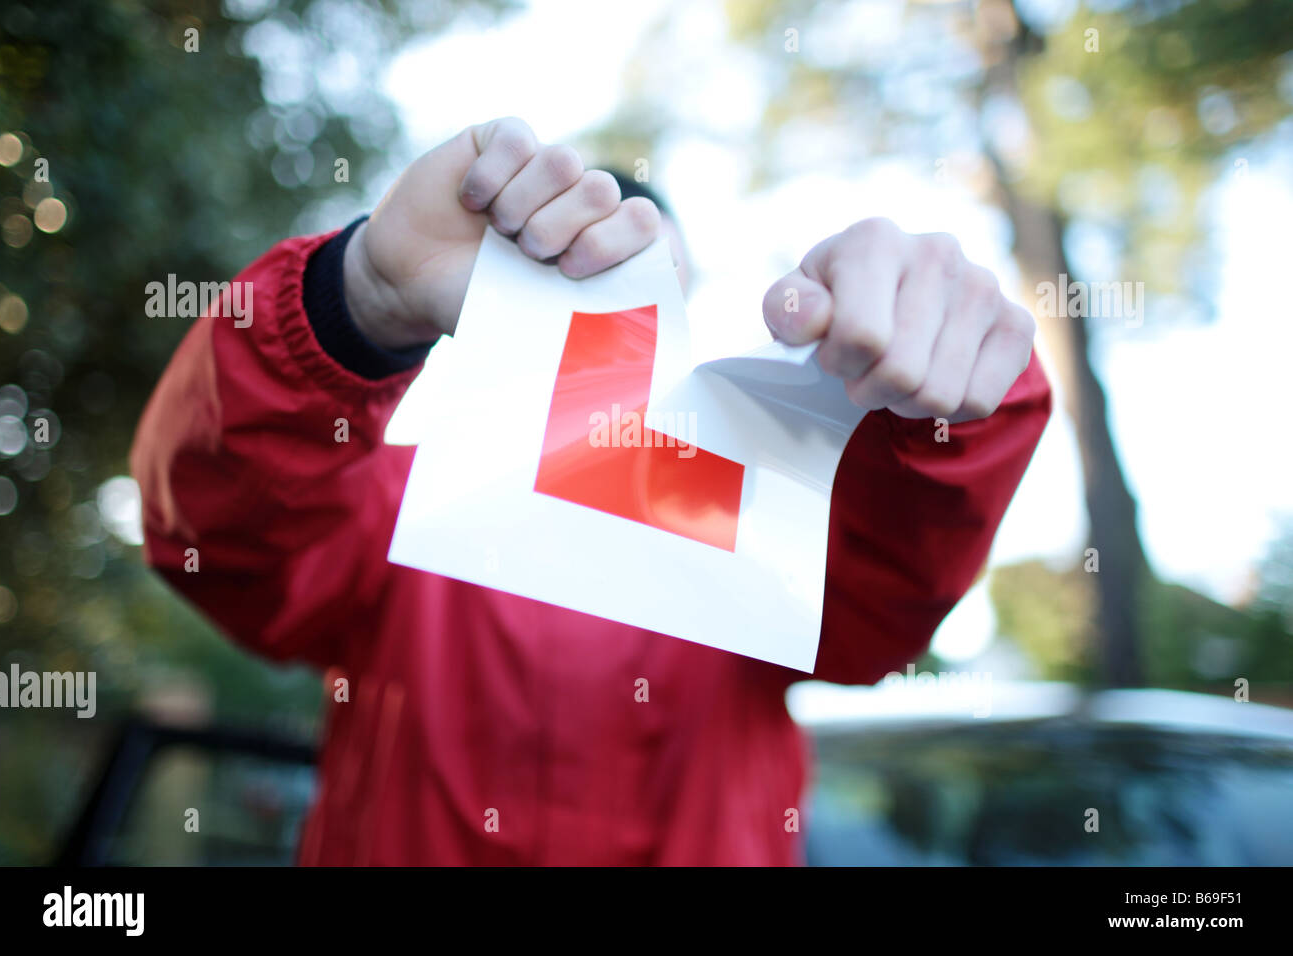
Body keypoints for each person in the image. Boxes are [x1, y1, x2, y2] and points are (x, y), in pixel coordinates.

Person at [131, 117, 1051, 865]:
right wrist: (355, 299)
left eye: (661, 295)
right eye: (597, 285)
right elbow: (220, 537)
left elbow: (887, 594)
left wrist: (948, 398)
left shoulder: (762, 520)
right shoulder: (401, 505)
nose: (632, 324)